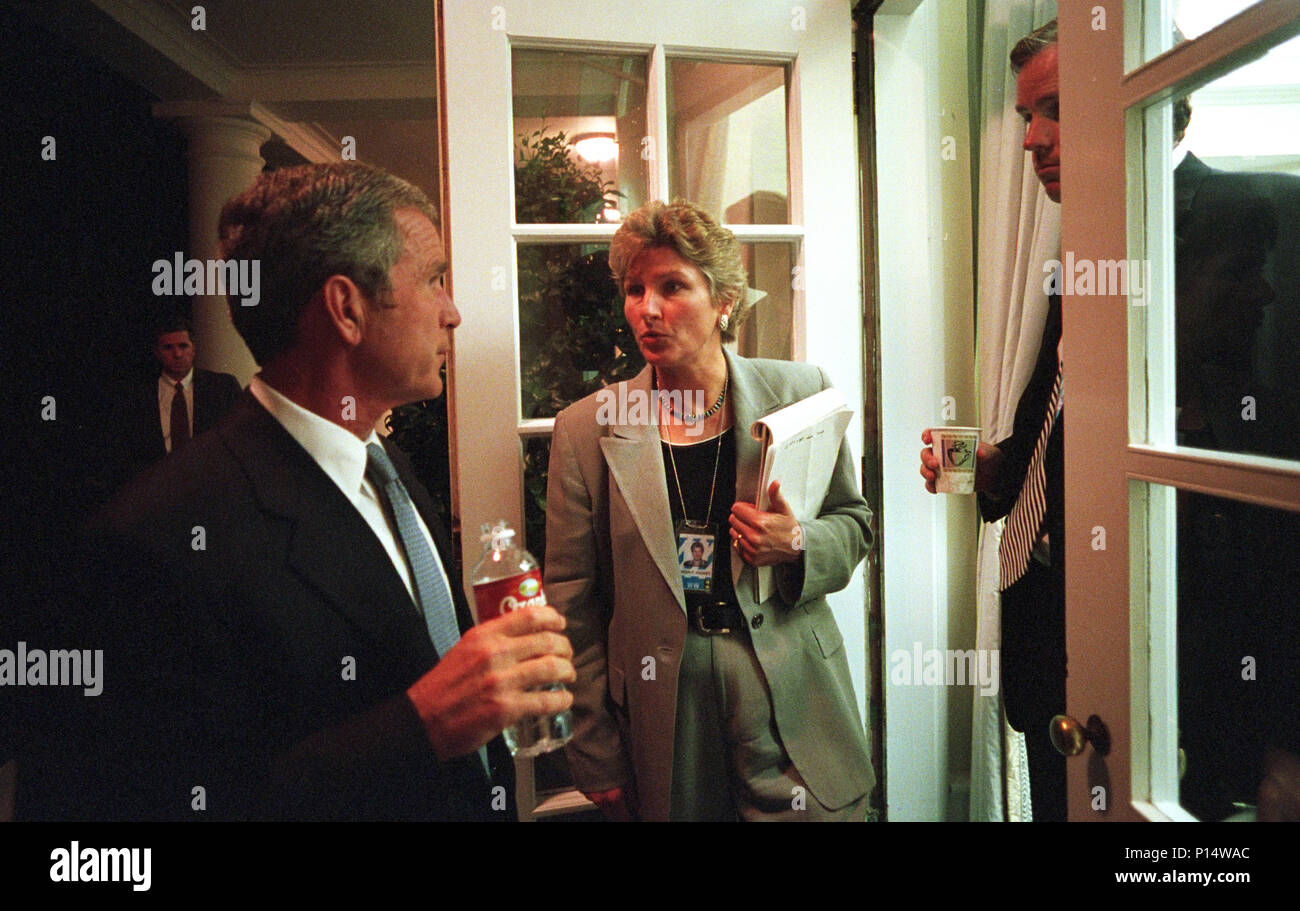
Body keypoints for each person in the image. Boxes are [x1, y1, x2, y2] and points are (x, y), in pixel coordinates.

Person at [18, 162, 575, 821]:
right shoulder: (151, 538)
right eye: (433, 279)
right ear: (347, 308)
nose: (453, 311)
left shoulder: (390, 468)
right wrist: (418, 726)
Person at [544, 199, 874, 821]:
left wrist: (798, 541)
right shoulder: (588, 428)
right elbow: (571, 605)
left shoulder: (799, 393)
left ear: (724, 300)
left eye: (672, 287)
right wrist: (590, 748)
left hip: (789, 689)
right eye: (634, 289)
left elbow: (854, 526)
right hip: (663, 703)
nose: (647, 308)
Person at [919, 19, 1067, 821]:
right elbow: (1056, 433)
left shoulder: (1226, 229)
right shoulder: (1076, 256)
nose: (1030, 140)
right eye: (1024, 118)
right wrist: (979, 464)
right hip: (1048, 654)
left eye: (1055, 109)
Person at [118, 315, 241, 479]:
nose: (177, 354)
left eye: (183, 346)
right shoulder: (138, 394)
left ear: (194, 348)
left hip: (211, 482)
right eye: (168, 348)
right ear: (157, 353)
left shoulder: (222, 387)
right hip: (156, 485)